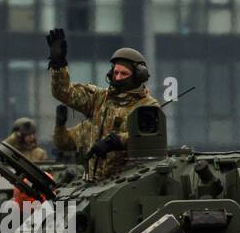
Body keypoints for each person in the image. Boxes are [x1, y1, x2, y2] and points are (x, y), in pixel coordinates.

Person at [45, 28, 160, 181]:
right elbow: (63, 92)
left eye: (124, 74)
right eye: (116, 72)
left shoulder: (147, 107)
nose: (118, 77)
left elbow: (149, 139)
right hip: (95, 185)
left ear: (139, 76)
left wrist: (118, 141)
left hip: (128, 184)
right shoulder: (99, 98)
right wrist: (58, 65)